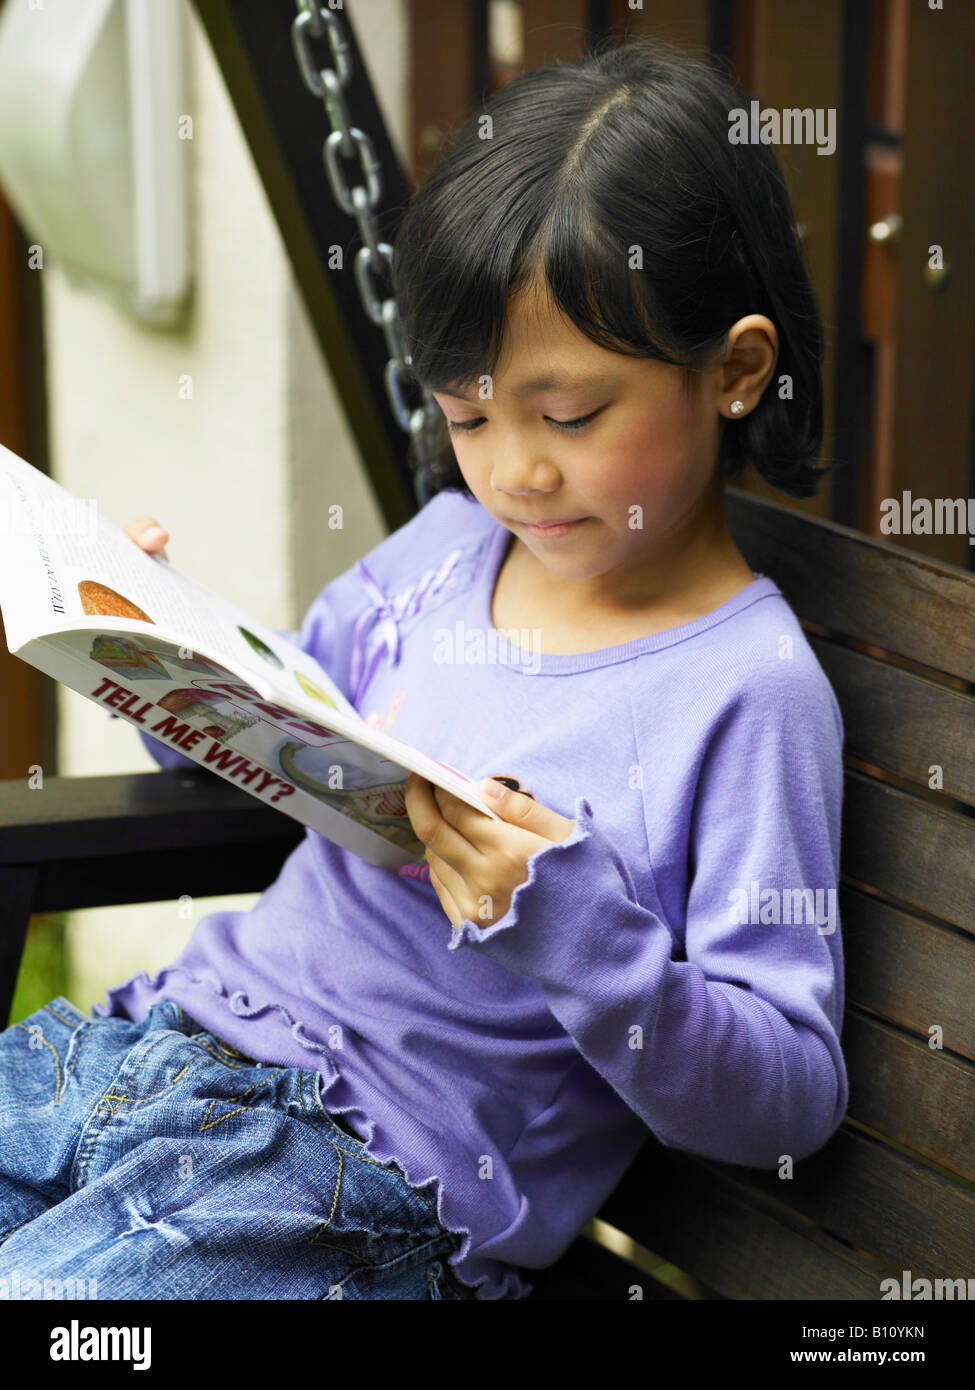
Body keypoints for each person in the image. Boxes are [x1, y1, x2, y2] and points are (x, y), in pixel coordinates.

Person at [0, 36, 847, 1301]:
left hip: (347, 1180)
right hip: (154, 1051)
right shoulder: (452, 549)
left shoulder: (749, 693)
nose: (511, 470)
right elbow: (301, 725)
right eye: (465, 414)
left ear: (732, 369)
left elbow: (786, 1098)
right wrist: (167, 662)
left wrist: (572, 929)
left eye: (567, 417)